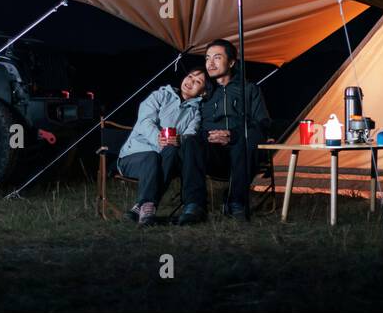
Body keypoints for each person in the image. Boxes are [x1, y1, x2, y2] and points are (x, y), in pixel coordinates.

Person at [178, 39, 270, 224]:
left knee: (247, 137)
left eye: (217, 57)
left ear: (231, 62)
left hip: (241, 152)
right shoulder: (205, 92)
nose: (210, 63)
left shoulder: (249, 89)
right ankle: (194, 205)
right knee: (190, 140)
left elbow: (262, 123)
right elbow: (195, 122)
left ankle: (236, 203)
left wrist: (233, 135)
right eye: (207, 58)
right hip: (212, 153)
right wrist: (208, 136)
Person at [115, 67, 208, 226]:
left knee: (171, 150)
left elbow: (189, 135)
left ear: (203, 93)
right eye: (190, 76)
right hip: (134, 156)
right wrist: (158, 138)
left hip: (165, 158)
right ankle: (147, 204)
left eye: (197, 81)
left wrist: (180, 139)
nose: (190, 82)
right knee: (152, 156)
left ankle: (143, 207)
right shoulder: (161, 95)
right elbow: (145, 120)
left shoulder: (195, 112)